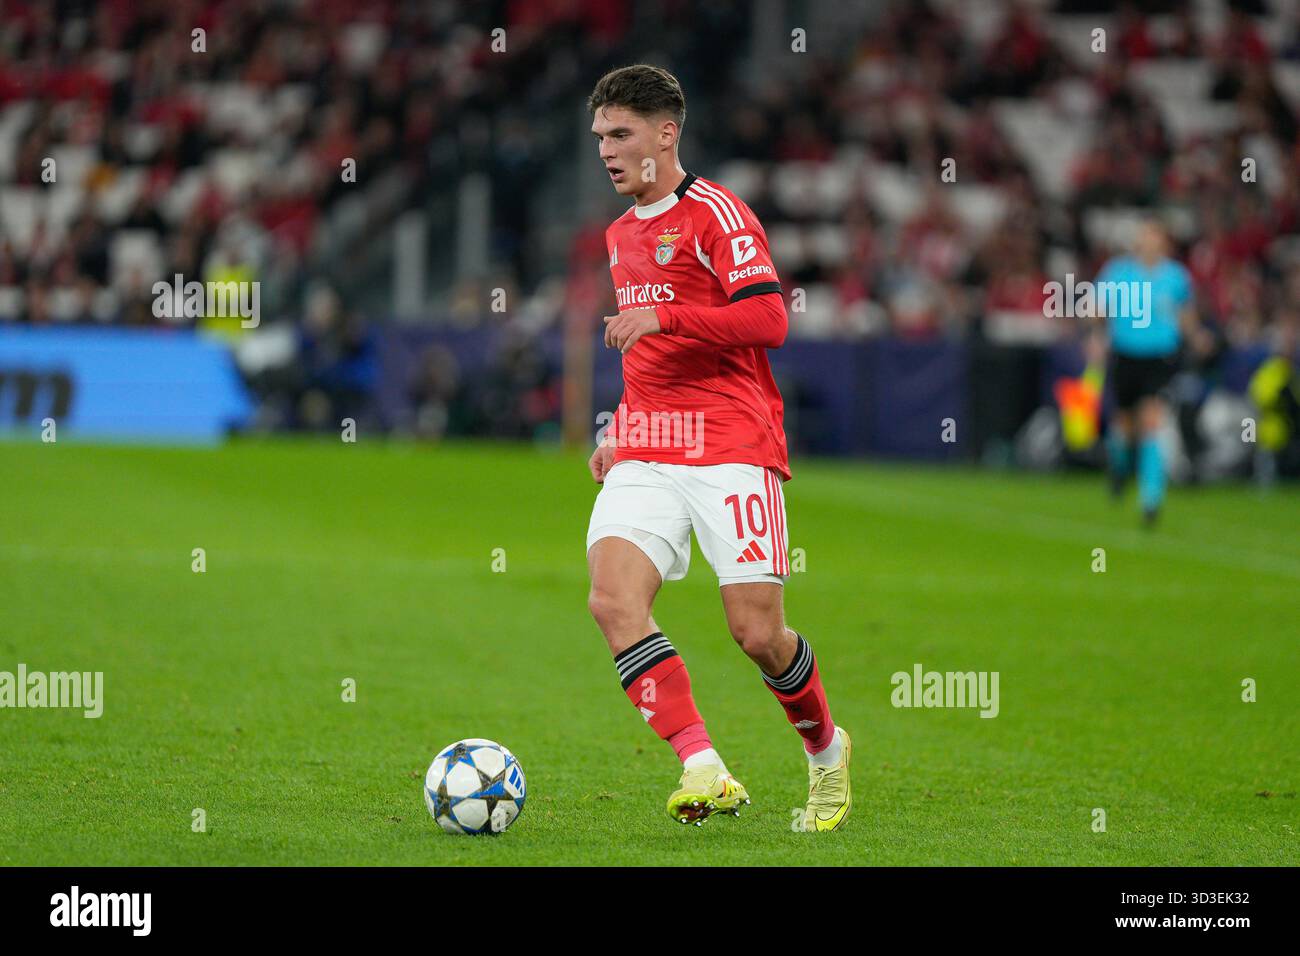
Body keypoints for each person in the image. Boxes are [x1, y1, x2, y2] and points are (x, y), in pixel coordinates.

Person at [583, 65, 850, 831]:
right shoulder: (618, 232)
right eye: (600, 135)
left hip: (732, 438)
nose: (606, 149)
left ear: (666, 134)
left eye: (621, 133)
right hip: (650, 442)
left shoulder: (717, 214)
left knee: (757, 633)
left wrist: (669, 319)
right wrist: (623, 424)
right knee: (612, 600)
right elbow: (646, 350)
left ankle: (827, 752)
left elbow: (769, 321)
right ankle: (704, 765)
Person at [1093, 220, 1199, 526]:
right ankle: (1119, 465)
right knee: (1125, 424)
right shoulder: (1118, 272)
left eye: (1155, 236)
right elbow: (1097, 307)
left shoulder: (1176, 277)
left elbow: (1185, 314)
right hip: (1125, 355)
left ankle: (1151, 499)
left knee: (1152, 422)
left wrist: (1196, 338)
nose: (1149, 242)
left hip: (1160, 358)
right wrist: (1095, 326)